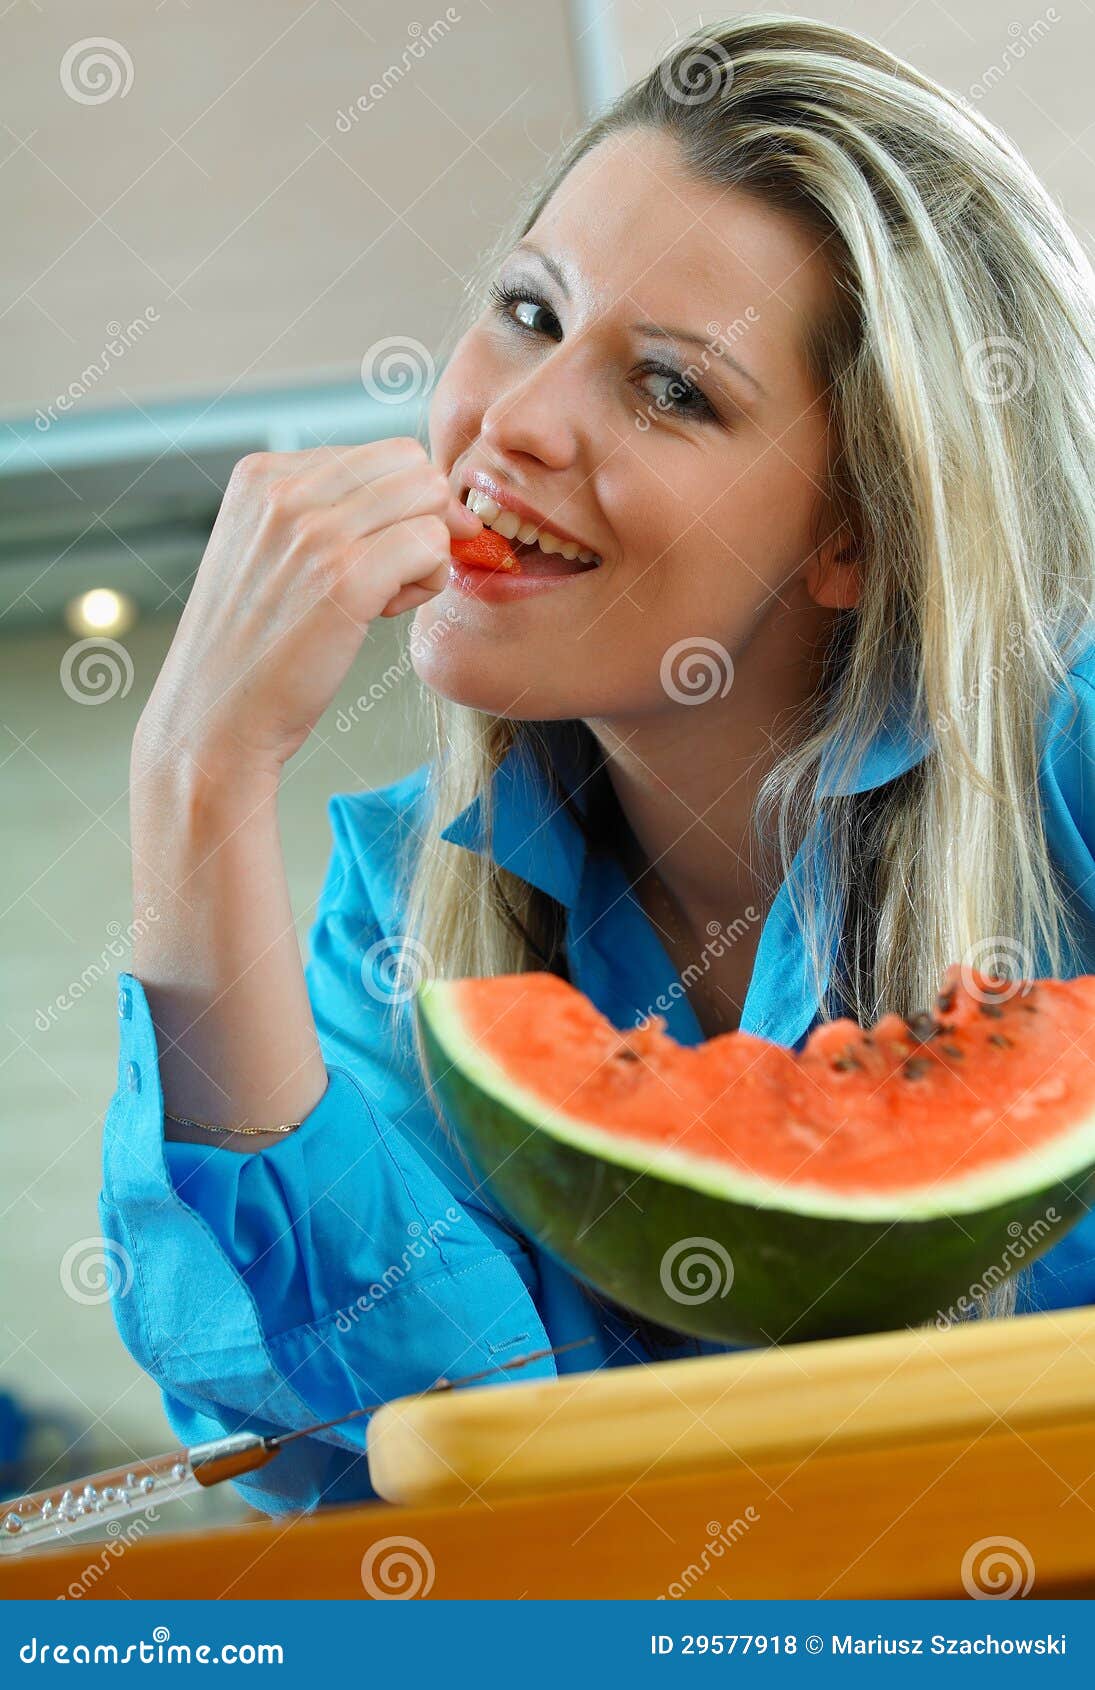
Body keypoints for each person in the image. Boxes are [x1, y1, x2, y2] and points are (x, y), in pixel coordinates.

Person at [99, 16, 1095, 1515]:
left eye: (672, 390)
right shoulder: (405, 909)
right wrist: (196, 779)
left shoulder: (1069, 758)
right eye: (528, 309)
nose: (517, 420)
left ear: (855, 536)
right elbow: (419, 1448)